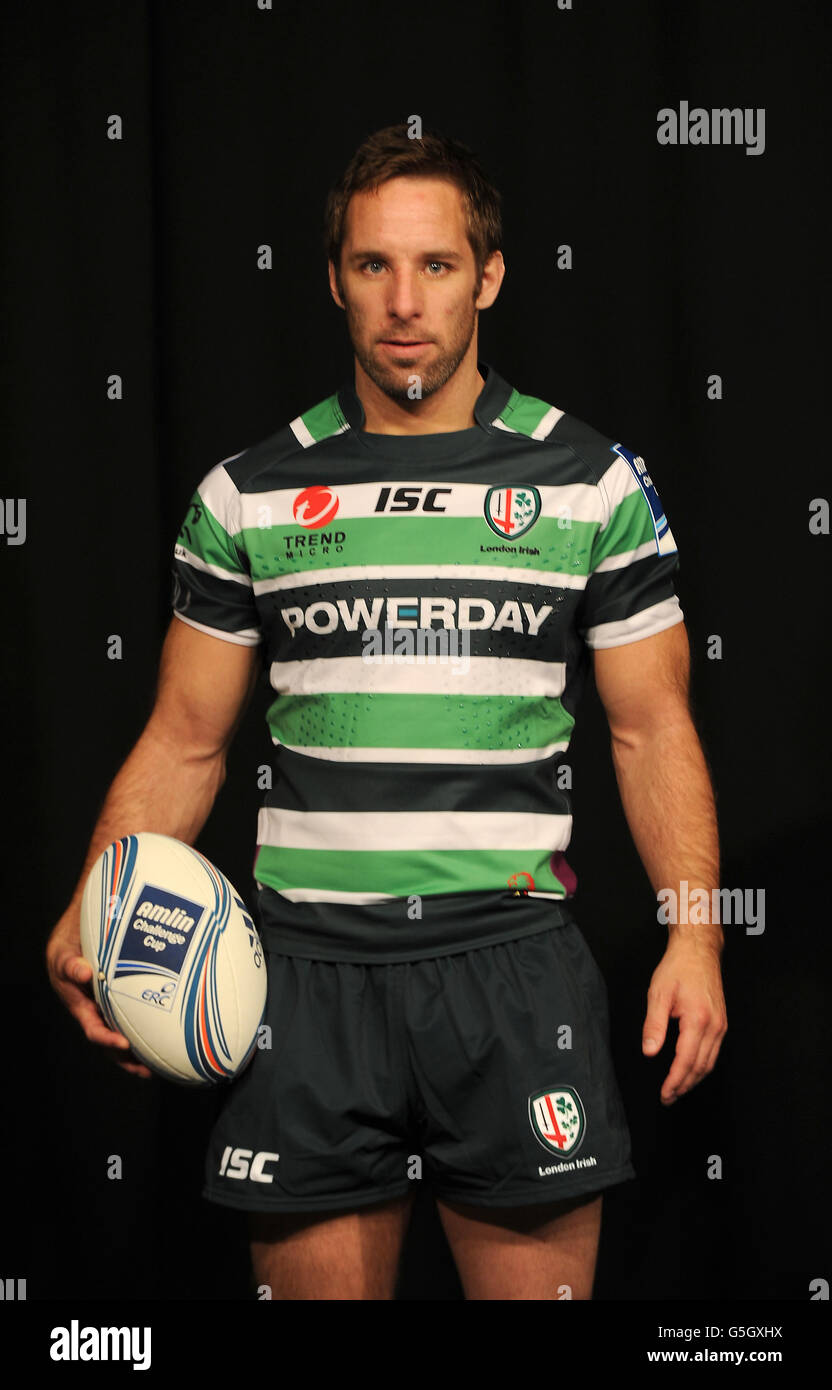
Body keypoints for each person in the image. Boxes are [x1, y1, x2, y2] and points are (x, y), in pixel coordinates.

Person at [46, 123, 727, 1301]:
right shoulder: (248, 492)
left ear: (490, 275)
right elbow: (186, 738)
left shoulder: (589, 481)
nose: (403, 301)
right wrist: (95, 901)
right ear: (333, 278)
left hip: (509, 972)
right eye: (372, 265)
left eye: (436, 265)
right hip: (303, 982)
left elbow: (650, 727)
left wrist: (698, 932)